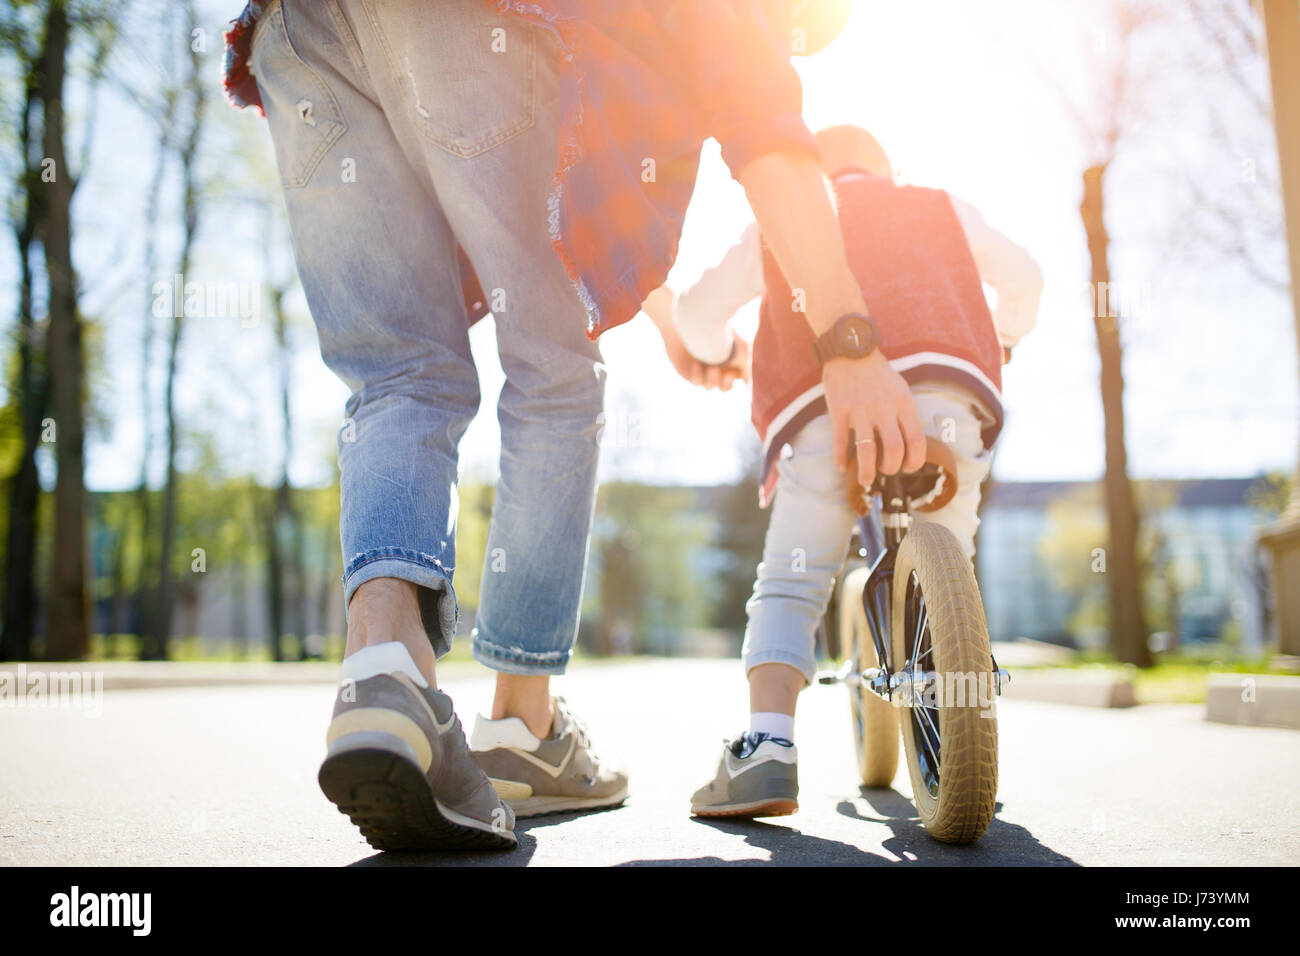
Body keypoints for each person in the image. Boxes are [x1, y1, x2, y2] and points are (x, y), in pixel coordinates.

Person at [224, 0, 920, 850]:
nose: (787, 49)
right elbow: (771, 145)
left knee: (396, 371)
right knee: (555, 375)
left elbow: (584, 203)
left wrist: (668, 322)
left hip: (300, 29)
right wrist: (849, 346)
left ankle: (382, 666)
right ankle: (522, 728)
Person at [644, 125, 1043, 818]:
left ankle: (767, 747)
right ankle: (953, 696)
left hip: (823, 411)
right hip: (947, 404)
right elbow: (1027, 278)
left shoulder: (787, 214)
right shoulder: (939, 205)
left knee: (793, 583)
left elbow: (695, 310)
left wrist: (722, 347)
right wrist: (1002, 338)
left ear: (808, 169)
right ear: (887, 168)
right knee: (952, 553)